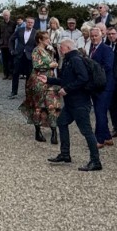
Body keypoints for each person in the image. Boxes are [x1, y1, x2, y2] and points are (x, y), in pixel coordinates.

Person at [47, 38, 101, 171]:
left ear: (68, 48)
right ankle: (65, 154)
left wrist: (67, 89)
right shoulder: (68, 60)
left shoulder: (76, 60)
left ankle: (96, 161)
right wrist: (48, 80)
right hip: (71, 103)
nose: (60, 49)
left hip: (80, 103)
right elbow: (66, 80)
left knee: (87, 131)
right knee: (61, 122)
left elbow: (83, 78)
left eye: (62, 47)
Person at [28, 32, 63, 144]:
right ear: (40, 40)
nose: (49, 40)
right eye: (46, 39)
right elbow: (36, 65)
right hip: (38, 81)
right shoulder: (36, 50)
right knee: (38, 106)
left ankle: (54, 132)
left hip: (51, 81)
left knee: (52, 105)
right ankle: (38, 131)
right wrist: (50, 65)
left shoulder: (49, 50)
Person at [88, 24, 117, 145]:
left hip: (105, 85)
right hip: (96, 85)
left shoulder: (106, 49)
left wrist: (94, 73)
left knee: (100, 111)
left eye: (96, 36)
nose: (94, 38)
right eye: (92, 36)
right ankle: (107, 137)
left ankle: (99, 139)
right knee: (100, 111)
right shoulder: (92, 48)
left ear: (101, 36)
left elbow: (108, 66)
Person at [9, 14, 38, 99]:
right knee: (15, 73)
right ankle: (14, 92)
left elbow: (37, 44)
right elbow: (11, 40)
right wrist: (12, 50)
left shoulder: (35, 32)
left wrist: (35, 53)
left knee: (29, 75)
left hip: (29, 56)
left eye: (31, 23)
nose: (30, 24)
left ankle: (28, 92)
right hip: (18, 54)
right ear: (26, 22)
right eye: (28, 22)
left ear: (33, 24)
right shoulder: (20, 30)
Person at [0, 9, 14, 83]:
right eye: (4, 15)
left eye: (6, 15)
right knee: (4, 60)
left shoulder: (13, 24)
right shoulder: (1, 24)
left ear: (9, 15)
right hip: (3, 45)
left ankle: (10, 74)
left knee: (10, 60)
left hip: (10, 45)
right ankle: (5, 74)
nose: (5, 16)